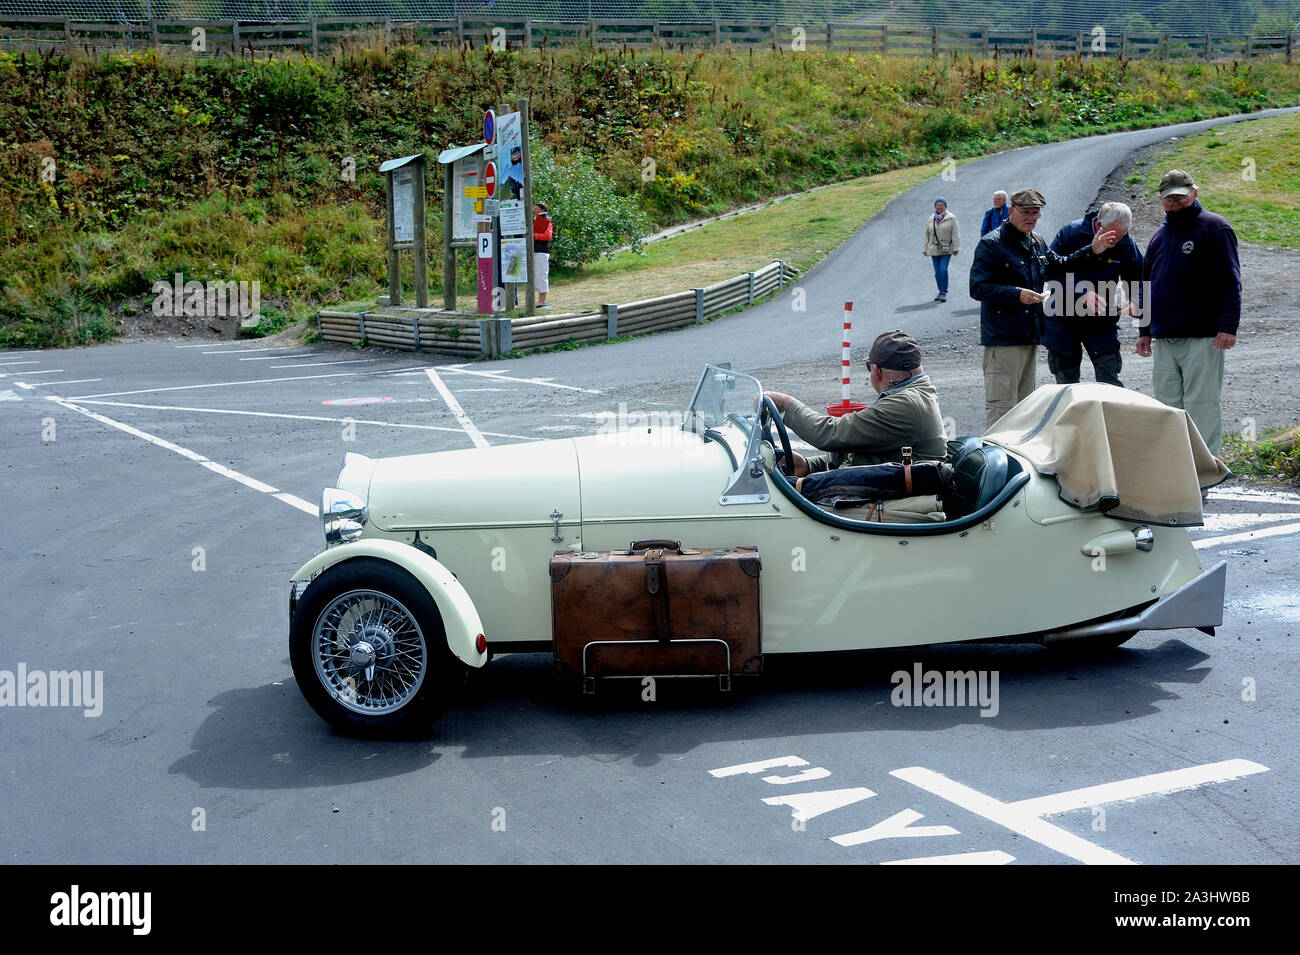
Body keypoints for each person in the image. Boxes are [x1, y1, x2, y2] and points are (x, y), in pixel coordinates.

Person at [969, 187, 1122, 429]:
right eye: (1027, 212)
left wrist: (1091, 251)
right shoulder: (992, 244)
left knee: (1023, 407)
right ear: (1011, 211)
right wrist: (1016, 294)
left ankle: (1015, 463)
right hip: (1003, 339)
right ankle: (996, 462)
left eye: (1036, 213)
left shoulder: (1036, 241)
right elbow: (977, 287)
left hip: (1029, 336)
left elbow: (1059, 265)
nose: (1031, 218)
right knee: (1002, 407)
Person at [1136, 169, 1240, 456]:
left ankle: (1204, 468)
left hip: (1203, 335)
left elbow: (1230, 280)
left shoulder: (1214, 227)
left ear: (1194, 193)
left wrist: (1228, 326)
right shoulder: (1160, 235)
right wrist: (1144, 330)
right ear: (1161, 200)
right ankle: (1177, 466)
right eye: (1170, 199)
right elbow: (1145, 285)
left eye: (1181, 197)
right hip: (1164, 337)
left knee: (1201, 404)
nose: (1176, 203)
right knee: (1168, 405)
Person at [764, 330, 948, 478]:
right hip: (898, 487)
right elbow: (870, 453)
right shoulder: (919, 394)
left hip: (900, 500)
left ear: (876, 370)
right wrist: (807, 465)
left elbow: (830, 434)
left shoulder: (907, 403)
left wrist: (784, 403)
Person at [1044, 201, 1143, 388]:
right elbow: (1051, 272)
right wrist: (1081, 293)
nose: (1119, 241)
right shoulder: (1070, 234)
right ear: (1099, 226)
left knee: (1110, 382)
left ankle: (1109, 418)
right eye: (1115, 237)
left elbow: (1140, 275)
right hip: (1063, 320)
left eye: (1123, 236)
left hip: (1101, 320)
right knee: (1066, 386)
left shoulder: (1124, 241)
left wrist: (1135, 300)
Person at [923, 198, 959, 302]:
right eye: (937, 205)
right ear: (935, 206)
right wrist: (925, 248)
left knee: (943, 269)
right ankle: (940, 291)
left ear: (945, 206)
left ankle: (944, 291)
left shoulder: (951, 218)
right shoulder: (931, 218)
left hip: (946, 248)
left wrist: (956, 248)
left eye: (941, 205)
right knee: (937, 272)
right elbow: (927, 235)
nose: (939, 207)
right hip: (933, 248)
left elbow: (955, 234)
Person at [532, 201, 553, 307]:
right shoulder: (533, 219)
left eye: (536, 208)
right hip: (533, 251)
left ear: (542, 210)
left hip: (541, 251)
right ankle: (537, 299)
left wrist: (535, 235)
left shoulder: (546, 221)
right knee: (535, 276)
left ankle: (542, 300)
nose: (534, 210)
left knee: (541, 275)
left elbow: (548, 236)